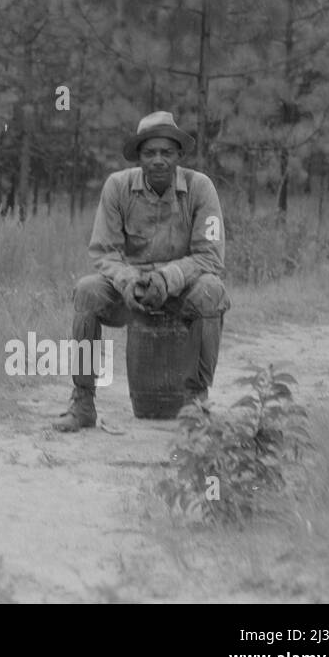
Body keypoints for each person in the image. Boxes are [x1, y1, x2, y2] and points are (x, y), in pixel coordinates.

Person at [53, 111, 231, 432]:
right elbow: (104, 251)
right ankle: (82, 402)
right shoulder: (117, 187)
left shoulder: (200, 188)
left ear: (179, 155)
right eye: (149, 153)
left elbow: (210, 256)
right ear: (138, 157)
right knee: (87, 290)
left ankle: (196, 404)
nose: (158, 160)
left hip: (182, 290)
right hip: (130, 292)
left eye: (166, 152)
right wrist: (129, 282)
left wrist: (167, 279)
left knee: (211, 291)